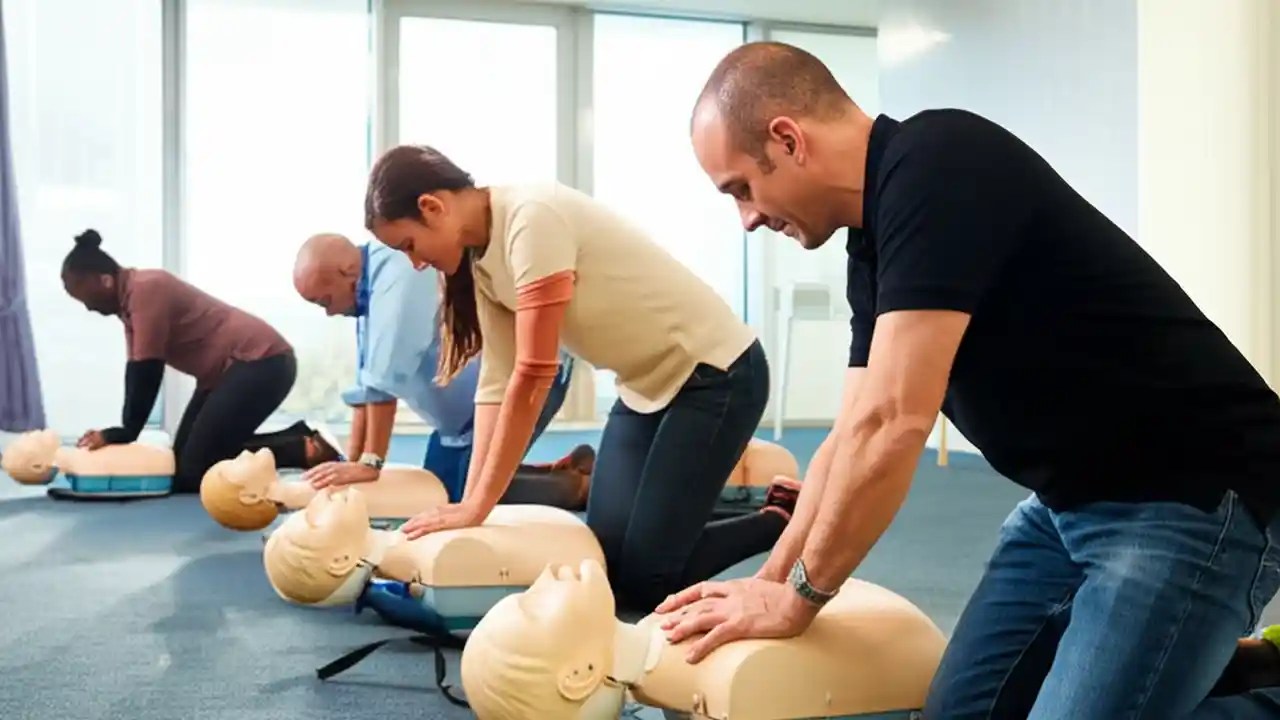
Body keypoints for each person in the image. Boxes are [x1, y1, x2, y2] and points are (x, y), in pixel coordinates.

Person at [656, 42, 1280, 718]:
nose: (747, 218)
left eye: (742, 189)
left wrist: (802, 597)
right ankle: (1211, 665)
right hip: (1065, 506)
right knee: (963, 712)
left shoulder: (940, 164)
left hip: (1193, 500)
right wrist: (769, 582)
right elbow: (851, 433)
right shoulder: (872, 239)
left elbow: (895, 425)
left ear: (787, 139)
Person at [361, 145, 801, 613]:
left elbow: (532, 374)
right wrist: (470, 502)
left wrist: (479, 504)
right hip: (642, 389)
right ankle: (698, 523)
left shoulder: (531, 219)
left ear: (432, 207)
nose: (415, 262)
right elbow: (496, 381)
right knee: (605, 561)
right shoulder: (482, 260)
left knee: (648, 581)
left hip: (717, 375)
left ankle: (781, 517)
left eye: (409, 245)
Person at [291, 233, 591, 502]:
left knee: (464, 500)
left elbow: (384, 386)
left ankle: (580, 485)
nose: (329, 312)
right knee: (437, 490)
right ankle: (564, 470)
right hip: (465, 413)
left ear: (347, 272)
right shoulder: (366, 291)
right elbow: (367, 390)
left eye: (325, 302)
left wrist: (369, 464)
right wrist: (350, 462)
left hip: (518, 382)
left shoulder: (398, 276)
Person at [60, 229, 336, 493]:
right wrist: (125, 430)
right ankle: (301, 440)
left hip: (262, 362)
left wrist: (123, 432)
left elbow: (147, 370)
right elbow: (135, 369)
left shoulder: (147, 289)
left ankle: (304, 449)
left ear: (104, 280)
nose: (89, 308)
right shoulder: (129, 304)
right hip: (224, 373)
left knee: (198, 468)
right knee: (182, 469)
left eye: (86, 298)